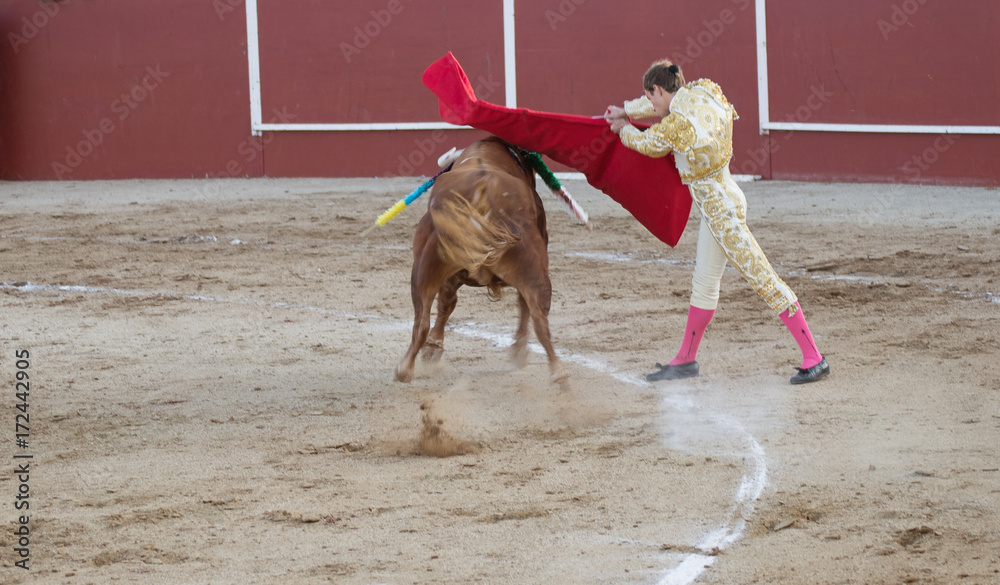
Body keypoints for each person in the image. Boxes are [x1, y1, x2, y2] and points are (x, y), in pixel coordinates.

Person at [604, 59, 830, 385]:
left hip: (721, 213)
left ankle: (815, 357)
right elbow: (658, 108)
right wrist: (627, 111)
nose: (651, 106)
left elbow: (648, 144)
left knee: (763, 277)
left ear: (657, 89)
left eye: (650, 98)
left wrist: (623, 127)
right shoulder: (703, 90)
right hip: (726, 198)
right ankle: (685, 360)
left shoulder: (678, 125)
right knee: (705, 283)